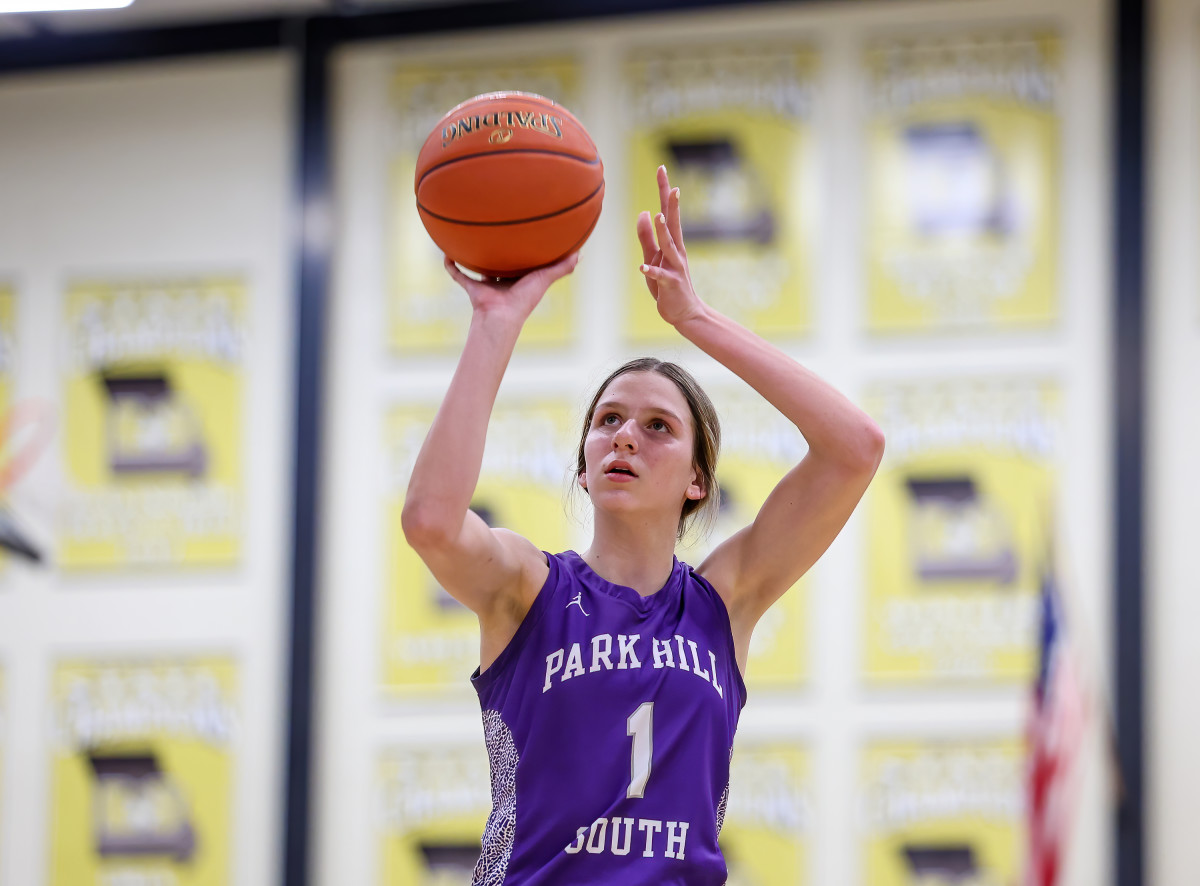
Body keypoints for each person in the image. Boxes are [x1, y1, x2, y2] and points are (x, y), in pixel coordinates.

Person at [401, 166, 885, 885]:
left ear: (697, 479)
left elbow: (856, 448)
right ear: (585, 465)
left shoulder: (725, 601)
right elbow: (432, 522)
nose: (625, 437)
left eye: (658, 426)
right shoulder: (529, 590)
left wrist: (697, 320)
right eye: (608, 422)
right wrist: (495, 323)